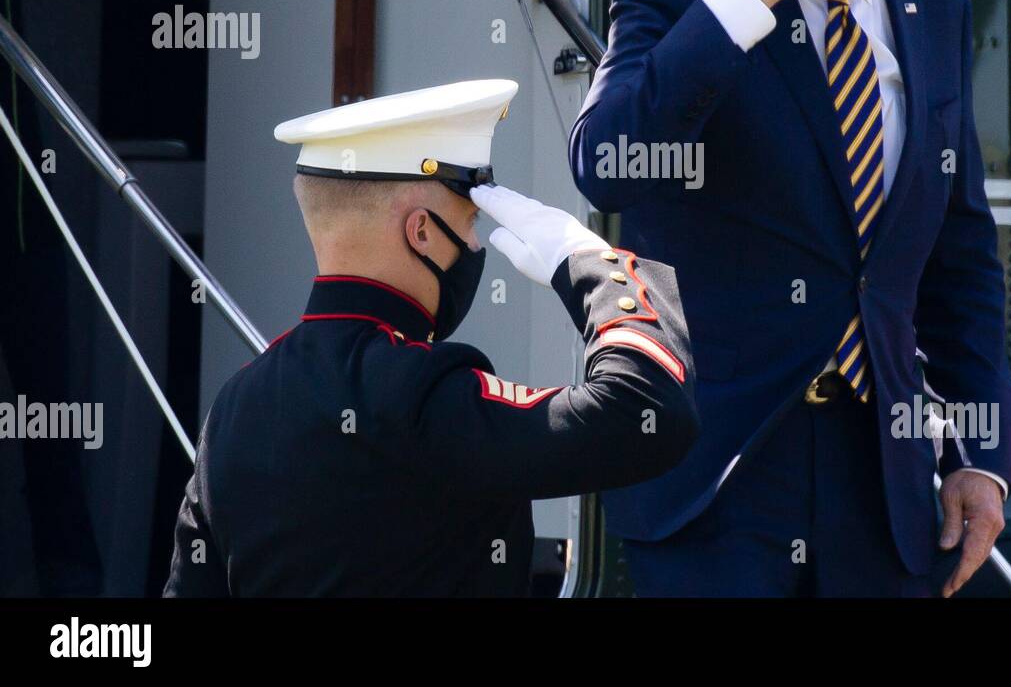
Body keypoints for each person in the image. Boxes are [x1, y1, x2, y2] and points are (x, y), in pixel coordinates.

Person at [570, 0, 1011, 596]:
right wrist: (732, 8)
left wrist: (978, 456)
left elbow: (959, 252)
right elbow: (608, 165)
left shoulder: (937, 0)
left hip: (881, 482)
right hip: (720, 477)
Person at [164, 79, 697, 596]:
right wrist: (590, 265)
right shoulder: (421, 392)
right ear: (420, 231)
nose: (474, 244)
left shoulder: (235, 409)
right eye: (468, 224)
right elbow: (646, 412)